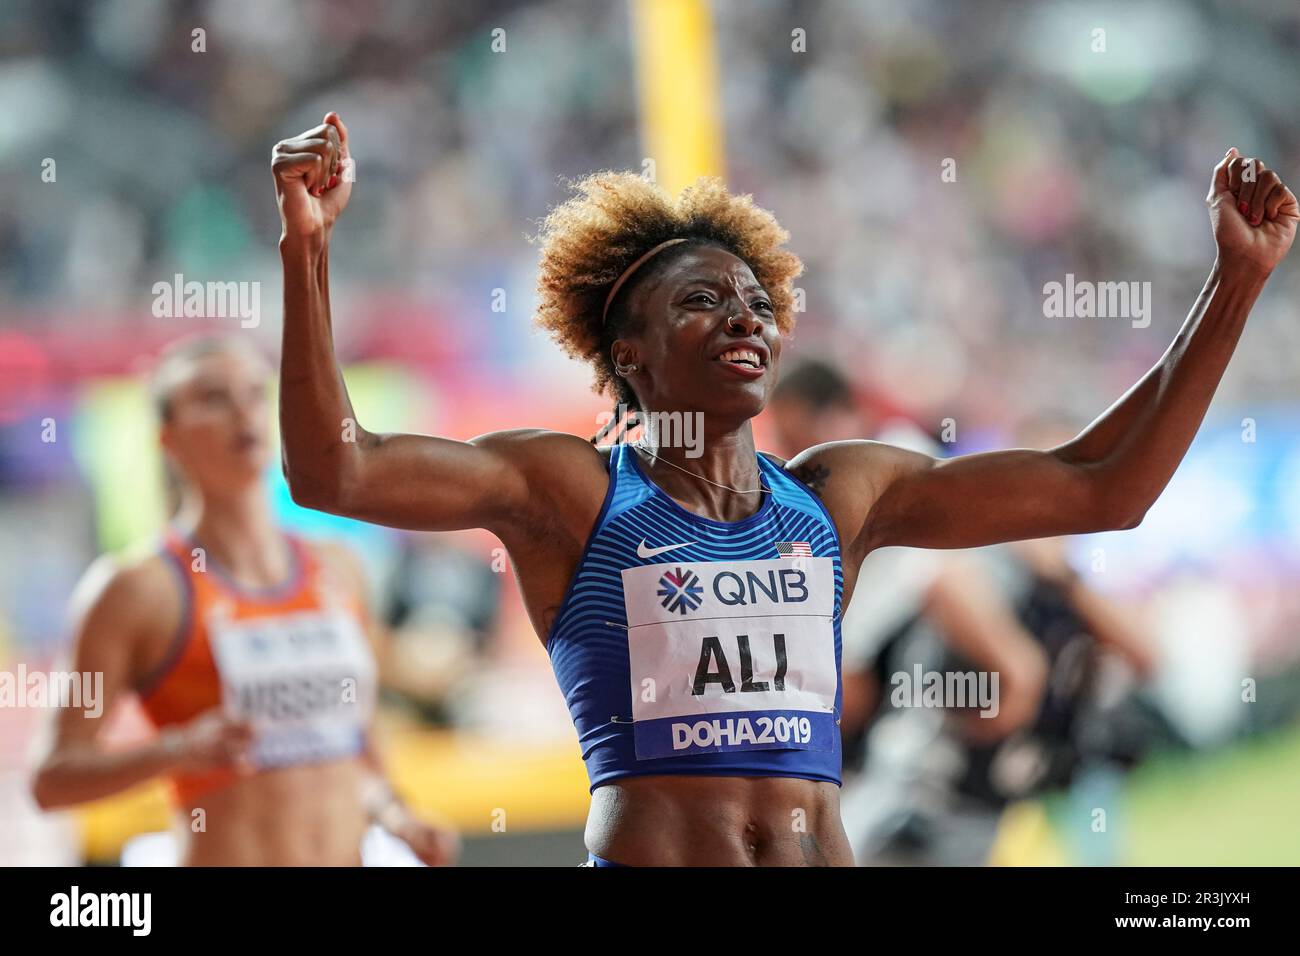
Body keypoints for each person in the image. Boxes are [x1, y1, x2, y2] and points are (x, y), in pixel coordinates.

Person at [272, 112, 1294, 866]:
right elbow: (334, 466)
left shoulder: (838, 494)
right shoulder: (571, 490)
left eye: (757, 300)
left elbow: (1100, 486)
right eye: (701, 301)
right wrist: (309, 248)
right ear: (628, 352)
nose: (744, 317)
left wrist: (1235, 280)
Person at [31, 335, 458, 867]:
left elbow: (357, 745)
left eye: (256, 393)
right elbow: (51, 780)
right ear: (167, 438)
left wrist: (397, 816)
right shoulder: (136, 589)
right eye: (212, 398)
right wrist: (179, 751)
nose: (243, 413)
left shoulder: (340, 568)